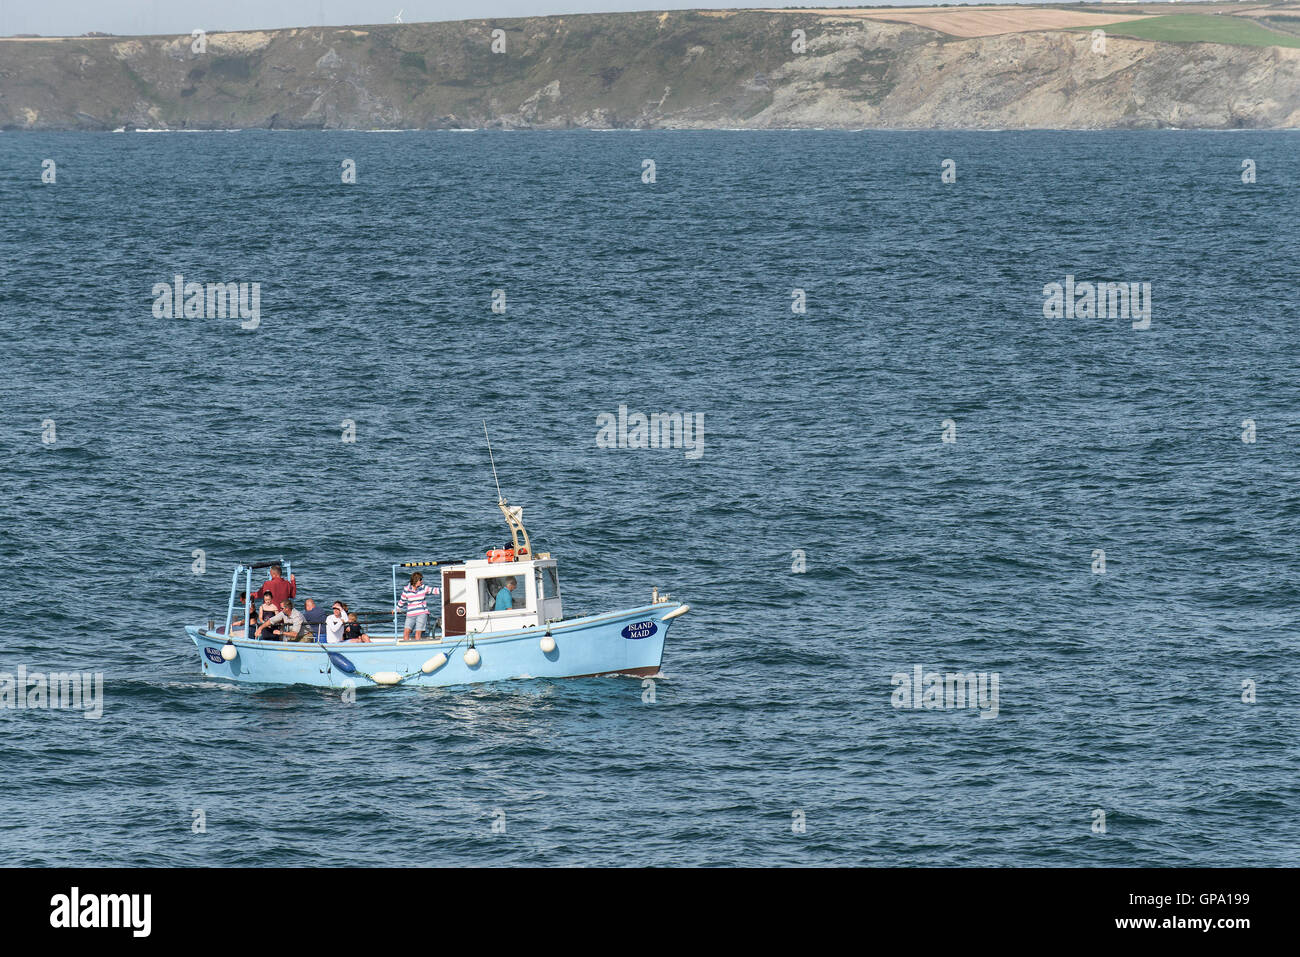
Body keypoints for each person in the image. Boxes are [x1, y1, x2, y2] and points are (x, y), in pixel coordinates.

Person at [394, 572, 435, 641]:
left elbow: (434, 590)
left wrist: (445, 589)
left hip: (422, 613)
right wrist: (397, 609)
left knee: (418, 634)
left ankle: (417, 646)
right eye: (420, 579)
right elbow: (402, 601)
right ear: (416, 580)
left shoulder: (423, 587)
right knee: (406, 633)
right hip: (410, 614)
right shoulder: (407, 589)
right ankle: (406, 646)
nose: (422, 581)